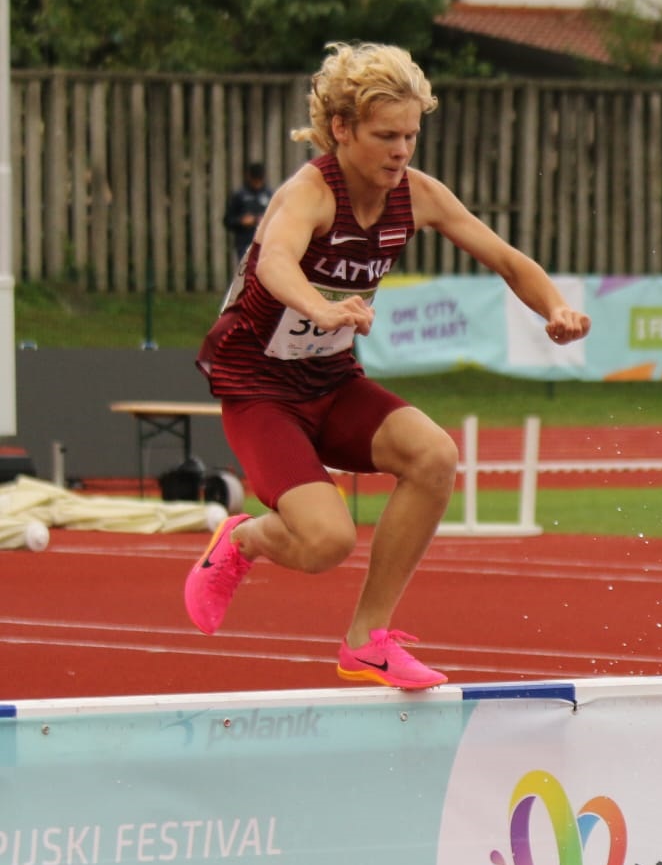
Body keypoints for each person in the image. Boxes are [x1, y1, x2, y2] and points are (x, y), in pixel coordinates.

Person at [188, 42, 590, 689]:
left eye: (410, 135)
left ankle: (365, 642)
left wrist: (556, 308)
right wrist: (320, 308)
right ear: (341, 130)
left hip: (329, 380)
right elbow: (274, 264)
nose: (401, 151)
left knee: (433, 455)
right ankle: (241, 542)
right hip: (259, 387)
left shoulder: (418, 195)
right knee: (326, 542)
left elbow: (508, 259)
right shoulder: (309, 193)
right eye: (385, 136)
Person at [223, 161, 272, 268]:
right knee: (247, 272)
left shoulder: (270, 195)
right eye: (255, 181)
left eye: (259, 181)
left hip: (266, 243)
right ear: (249, 177)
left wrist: (265, 221)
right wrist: (241, 221)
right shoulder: (239, 196)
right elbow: (228, 220)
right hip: (245, 242)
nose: (257, 185)